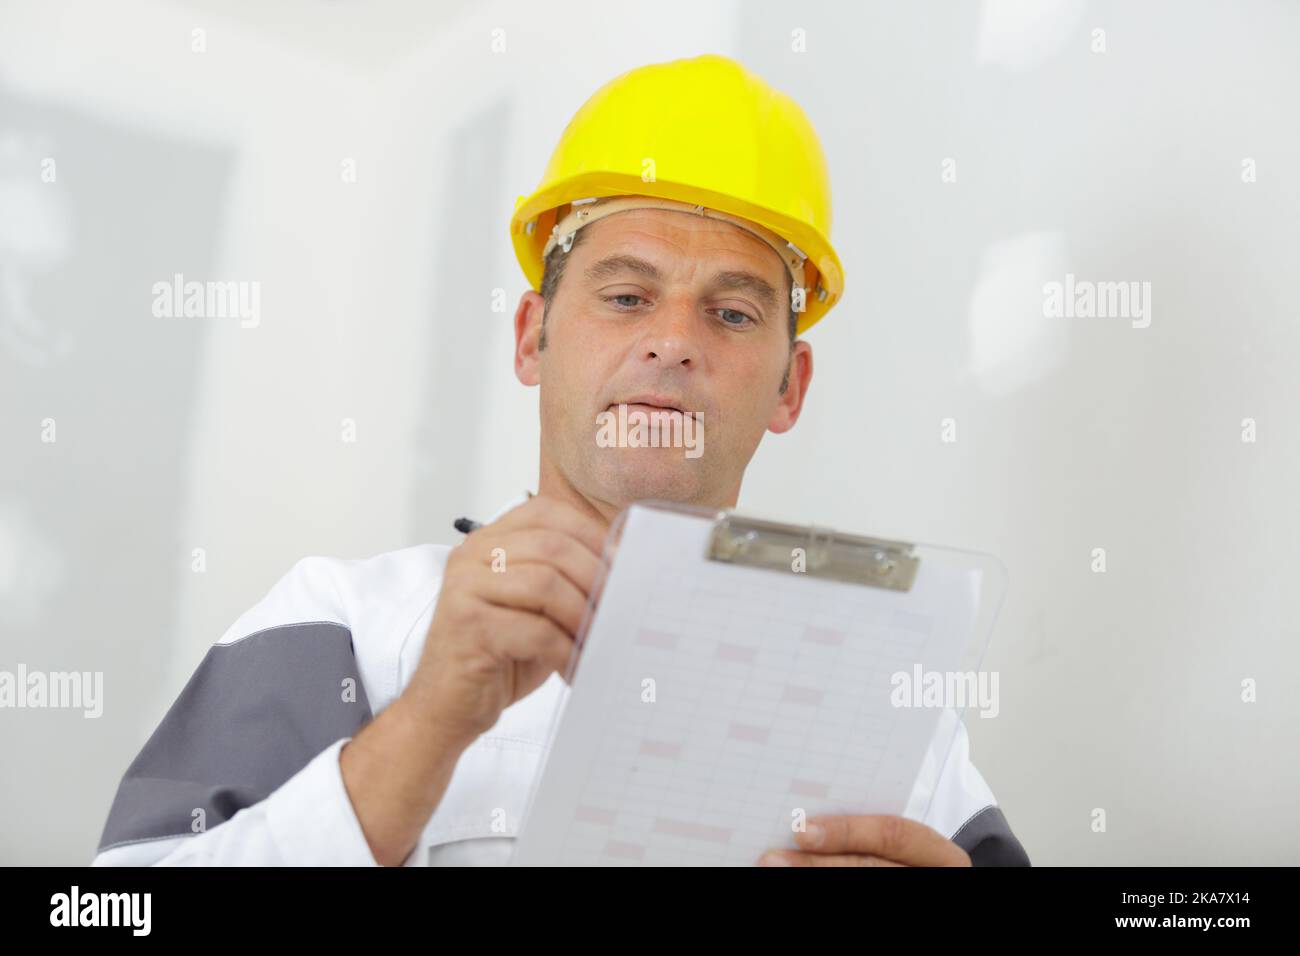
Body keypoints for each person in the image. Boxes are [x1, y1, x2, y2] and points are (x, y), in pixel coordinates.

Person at [93, 53, 1029, 867]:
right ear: (533, 337)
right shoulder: (345, 624)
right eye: (626, 296)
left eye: (733, 312)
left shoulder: (890, 708)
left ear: (790, 387)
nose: (672, 343)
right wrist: (425, 730)